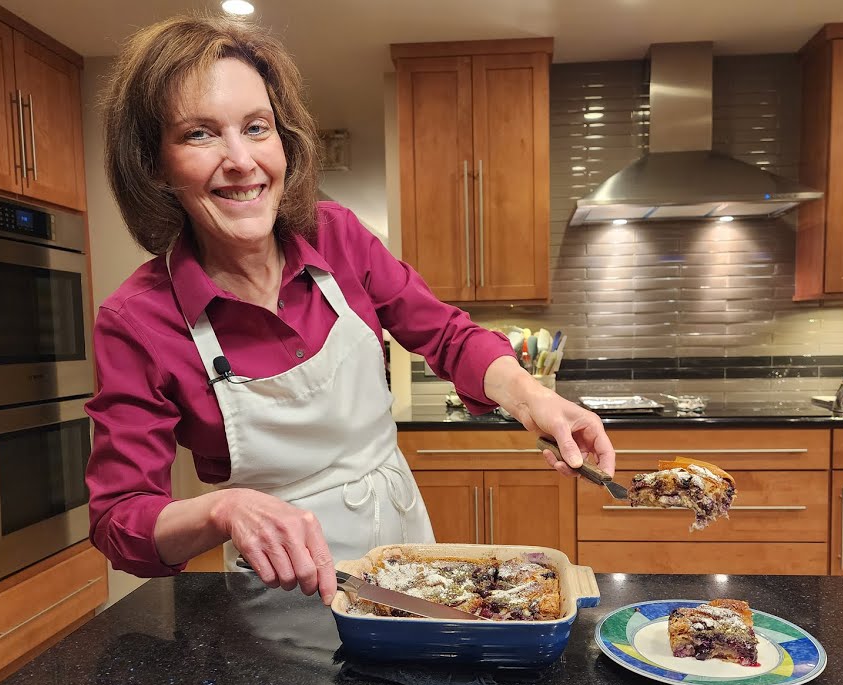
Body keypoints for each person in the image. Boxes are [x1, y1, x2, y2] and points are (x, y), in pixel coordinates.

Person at [85, 10, 616, 608]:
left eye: (257, 127)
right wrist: (223, 509)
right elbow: (119, 520)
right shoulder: (137, 321)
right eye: (199, 134)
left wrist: (536, 399)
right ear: (154, 167)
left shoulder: (337, 236)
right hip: (281, 598)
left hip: (409, 562)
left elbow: (445, 335)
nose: (241, 160)